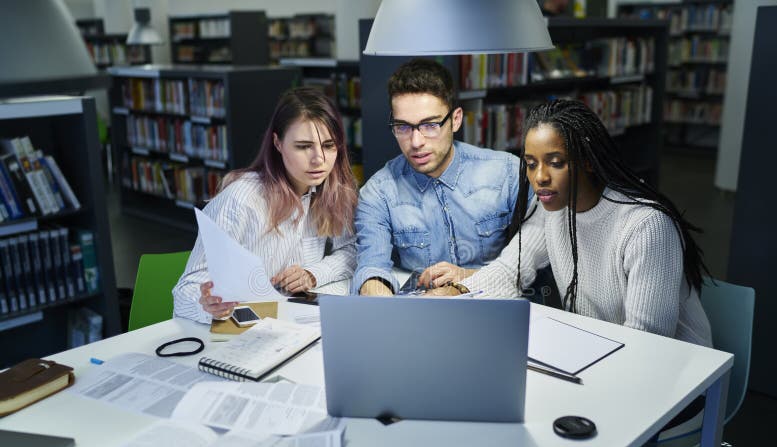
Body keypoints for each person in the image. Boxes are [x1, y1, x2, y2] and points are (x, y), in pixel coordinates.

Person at [439, 98, 712, 348]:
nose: (540, 177)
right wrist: (453, 293)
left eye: (555, 162)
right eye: (531, 164)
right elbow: (511, 270)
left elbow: (647, 343)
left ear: (588, 161)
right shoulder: (553, 208)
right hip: (599, 350)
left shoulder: (646, 226)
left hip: (678, 371)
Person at [173, 87, 359, 323]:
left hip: (292, 324)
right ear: (277, 143)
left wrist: (313, 274)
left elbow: (352, 250)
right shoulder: (240, 200)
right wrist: (209, 306)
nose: (319, 159)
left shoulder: (333, 190)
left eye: (329, 145)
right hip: (236, 329)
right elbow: (185, 292)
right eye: (303, 146)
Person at [354, 58, 527, 296]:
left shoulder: (507, 172)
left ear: (456, 120)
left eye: (430, 125)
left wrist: (466, 279)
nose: (416, 142)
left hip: (497, 303)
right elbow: (371, 267)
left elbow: (534, 262)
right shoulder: (378, 192)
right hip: (422, 310)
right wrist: (381, 298)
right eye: (403, 127)